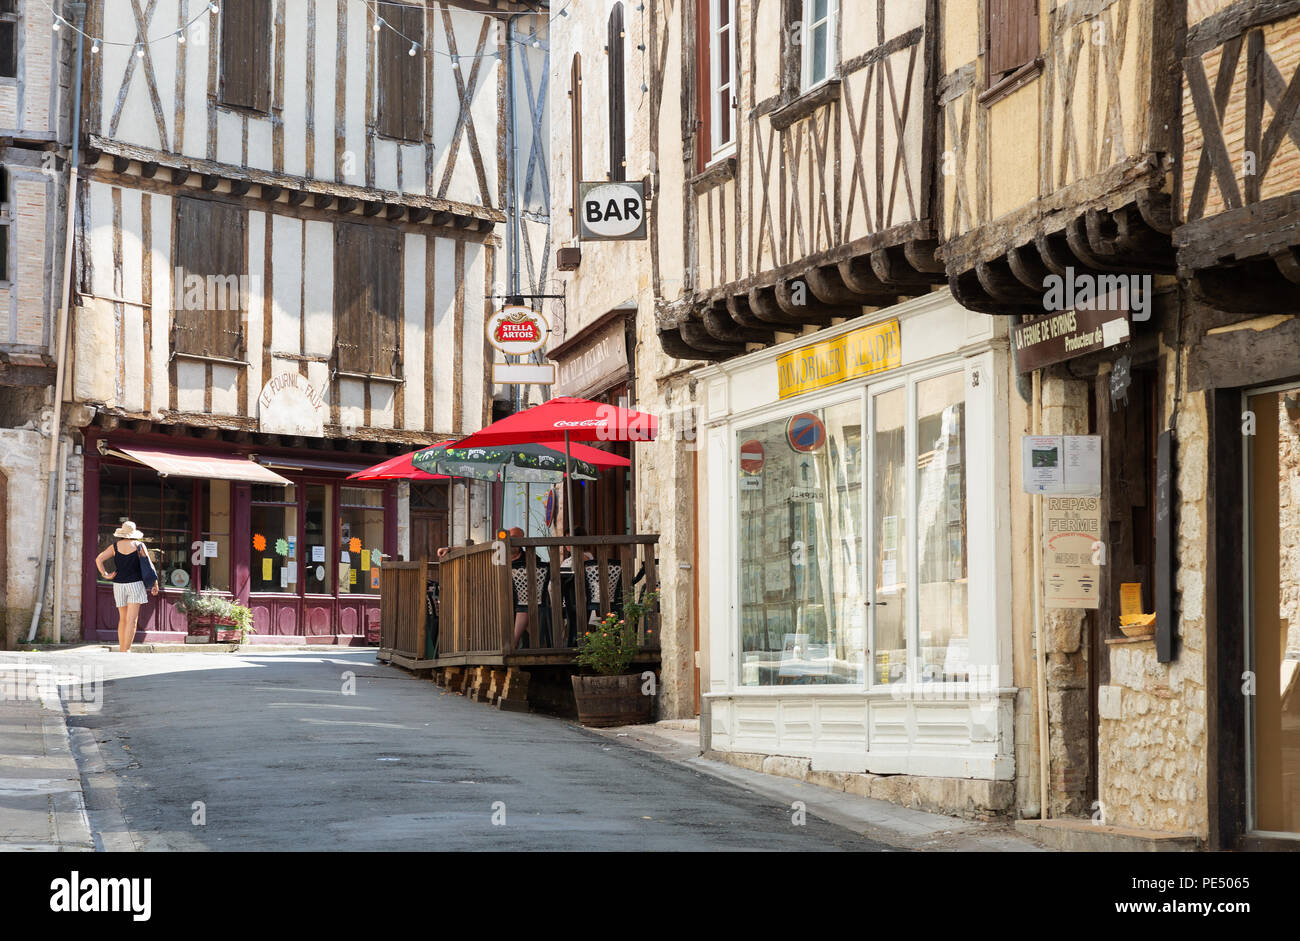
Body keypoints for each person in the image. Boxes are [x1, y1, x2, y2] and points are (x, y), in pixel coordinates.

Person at [93, 521, 159, 652]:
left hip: (118, 585)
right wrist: (155, 583)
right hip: (135, 584)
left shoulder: (115, 546)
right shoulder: (139, 545)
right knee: (132, 620)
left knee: (122, 619)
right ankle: (126, 650)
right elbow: (149, 566)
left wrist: (105, 574)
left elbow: (98, 559)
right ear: (134, 533)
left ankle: (122, 649)